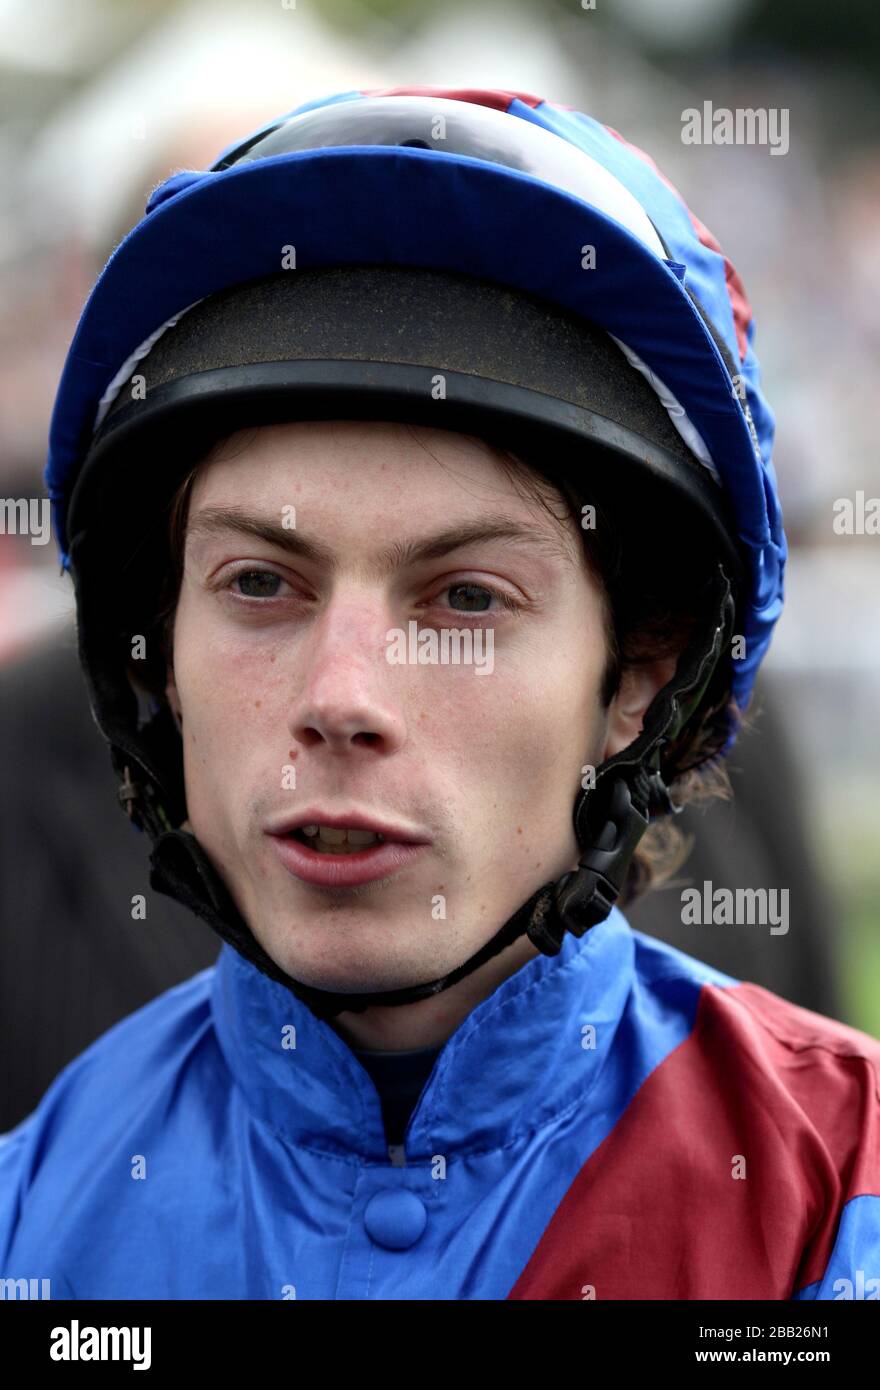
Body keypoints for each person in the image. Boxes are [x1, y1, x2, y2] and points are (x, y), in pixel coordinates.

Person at [1, 87, 877, 1301]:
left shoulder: (838, 1201)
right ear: (154, 653)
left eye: (465, 600)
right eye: (259, 581)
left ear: (639, 676)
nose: (341, 696)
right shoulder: (27, 1215)